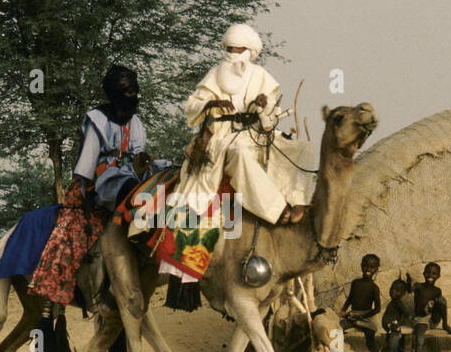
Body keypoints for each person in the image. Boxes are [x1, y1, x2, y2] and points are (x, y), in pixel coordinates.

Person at [31, 65, 156, 306]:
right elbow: (88, 162)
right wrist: (85, 191)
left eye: (134, 93)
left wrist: (142, 162)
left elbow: (138, 152)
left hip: (132, 174)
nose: (131, 98)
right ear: (115, 95)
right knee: (76, 232)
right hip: (102, 180)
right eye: (126, 94)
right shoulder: (97, 121)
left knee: (162, 180)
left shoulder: (136, 123)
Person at [178, 24, 305, 226]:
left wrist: (264, 105)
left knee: (300, 148)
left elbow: (271, 118)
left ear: (249, 52)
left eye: (238, 50)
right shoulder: (214, 74)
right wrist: (211, 103)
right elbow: (192, 105)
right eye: (229, 50)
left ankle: (298, 200)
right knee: (240, 153)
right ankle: (277, 209)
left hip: (255, 134)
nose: (233, 55)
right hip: (222, 136)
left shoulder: (260, 76)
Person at [411, 262, 451, 352]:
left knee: (442, 301)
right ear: (423, 274)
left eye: (434, 273)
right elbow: (410, 288)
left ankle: (446, 325)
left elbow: (438, 307)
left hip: (432, 319)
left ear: (438, 276)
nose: (430, 275)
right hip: (421, 320)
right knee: (419, 339)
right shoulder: (418, 287)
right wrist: (409, 282)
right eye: (428, 273)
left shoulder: (437, 290)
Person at [340, 254, 382, 352]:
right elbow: (350, 298)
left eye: (372, 267)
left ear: (376, 269)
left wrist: (362, 316)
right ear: (361, 266)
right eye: (365, 266)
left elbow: (377, 309)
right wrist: (344, 310)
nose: (368, 269)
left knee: (370, 339)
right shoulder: (355, 283)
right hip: (353, 315)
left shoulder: (374, 288)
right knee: (336, 329)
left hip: (366, 318)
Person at [380, 276, 413, 352]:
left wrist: (398, 324)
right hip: (391, 331)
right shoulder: (393, 302)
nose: (394, 292)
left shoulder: (398, 302)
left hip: (394, 332)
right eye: (392, 289)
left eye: (398, 291)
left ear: (403, 293)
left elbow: (408, 315)